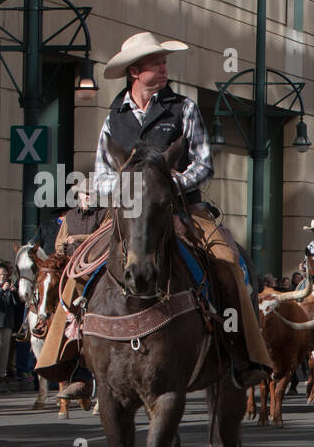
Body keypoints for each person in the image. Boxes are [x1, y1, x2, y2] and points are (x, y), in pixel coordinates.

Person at [39, 32, 272, 387]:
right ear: (135, 70)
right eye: (156, 64)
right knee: (75, 270)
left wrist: (164, 185)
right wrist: (132, 189)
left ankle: (243, 354)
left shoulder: (183, 107)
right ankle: (70, 359)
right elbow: (101, 174)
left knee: (229, 267)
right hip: (127, 214)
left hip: (183, 210)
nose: (164, 69)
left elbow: (204, 164)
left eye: (164, 63)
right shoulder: (113, 118)